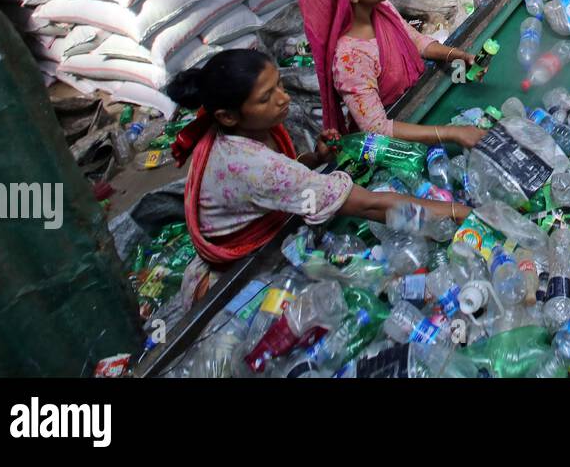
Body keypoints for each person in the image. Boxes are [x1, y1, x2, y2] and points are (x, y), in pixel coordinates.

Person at [166, 49, 471, 309]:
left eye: (280, 85)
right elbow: (371, 207)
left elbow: (280, 179)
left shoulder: (246, 128)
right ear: (228, 116)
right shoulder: (249, 164)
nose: (283, 98)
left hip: (263, 240)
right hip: (237, 283)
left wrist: (314, 160)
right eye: (266, 97)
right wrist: (460, 214)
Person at [300, 0, 483, 136]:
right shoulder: (350, 59)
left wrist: (457, 55)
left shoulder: (382, 8)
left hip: (416, 102)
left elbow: (415, 41)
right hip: (394, 133)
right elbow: (377, 128)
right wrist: (450, 134)